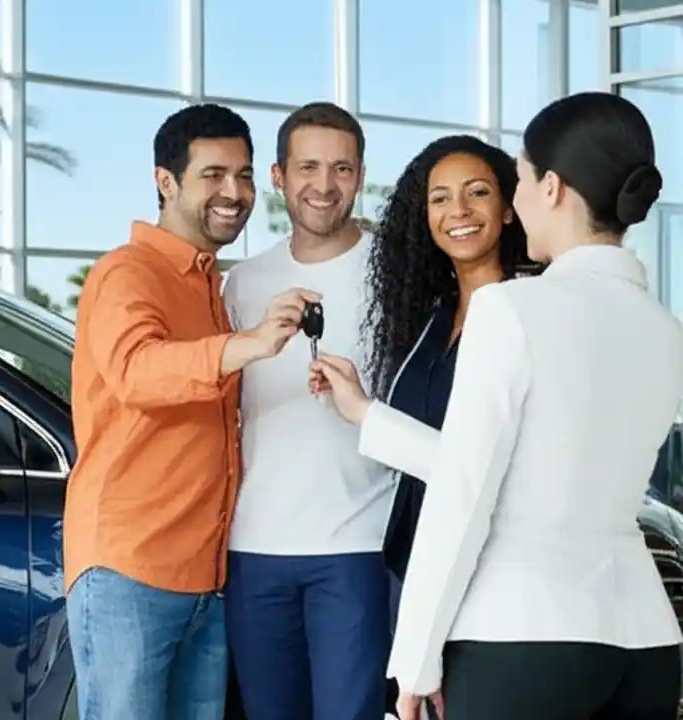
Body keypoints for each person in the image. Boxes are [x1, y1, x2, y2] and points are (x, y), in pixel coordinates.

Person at [315, 91, 683, 719]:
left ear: (552, 188)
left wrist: (414, 660)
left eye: (519, 179)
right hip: (646, 643)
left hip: (521, 635)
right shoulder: (663, 326)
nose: (514, 199)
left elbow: (465, 491)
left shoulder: (510, 309)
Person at [64, 103, 318, 720]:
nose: (234, 193)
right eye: (213, 175)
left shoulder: (211, 285)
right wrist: (249, 344)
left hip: (206, 579)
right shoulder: (127, 274)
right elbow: (136, 371)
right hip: (132, 571)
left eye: (245, 174)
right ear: (166, 182)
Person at [308, 132, 533, 717]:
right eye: (439, 199)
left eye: (477, 193)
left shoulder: (531, 314)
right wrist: (356, 399)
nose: (457, 211)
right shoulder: (434, 319)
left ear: (509, 207)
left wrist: (365, 414)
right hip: (412, 568)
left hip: (490, 573)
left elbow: (483, 470)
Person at [221, 101, 394, 720]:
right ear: (277, 176)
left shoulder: (394, 272)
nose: (324, 186)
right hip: (255, 547)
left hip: (358, 543)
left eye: (342, 169)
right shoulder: (242, 281)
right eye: (309, 167)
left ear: (362, 175)